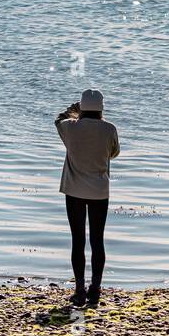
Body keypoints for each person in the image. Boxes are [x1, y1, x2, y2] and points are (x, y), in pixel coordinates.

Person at [54, 88, 120, 308]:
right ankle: (96, 289)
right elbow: (114, 153)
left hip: (74, 191)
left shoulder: (70, 128)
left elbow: (58, 120)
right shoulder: (109, 129)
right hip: (100, 191)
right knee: (97, 240)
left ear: (81, 107)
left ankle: (80, 289)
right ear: (101, 108)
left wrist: (72, 112)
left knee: (78, 240)